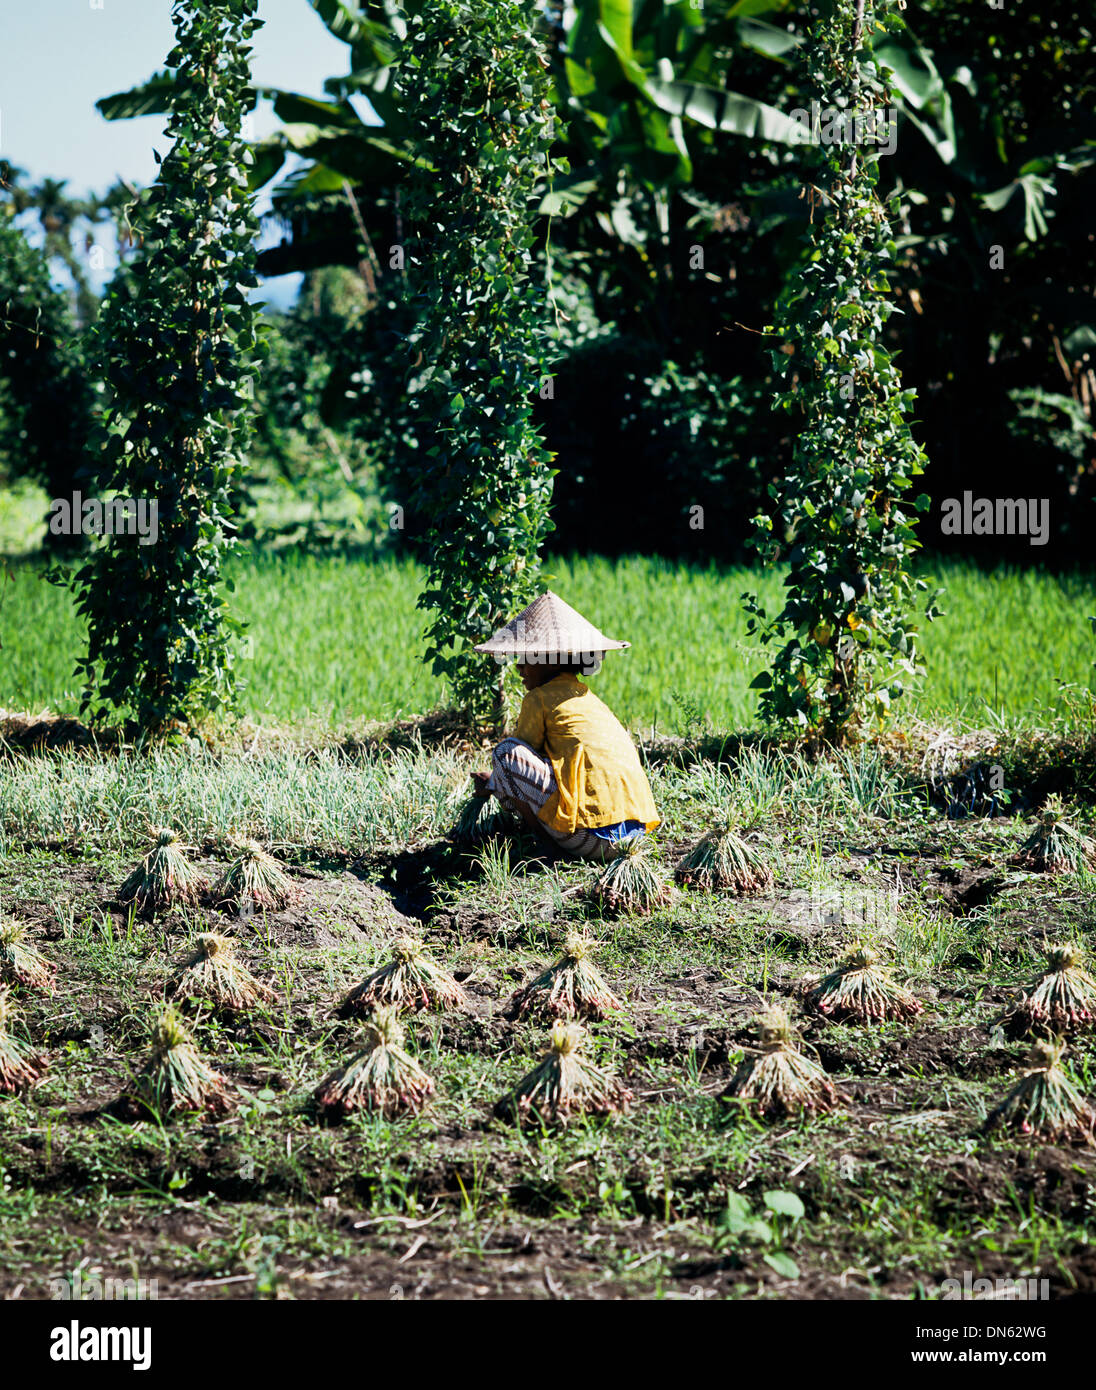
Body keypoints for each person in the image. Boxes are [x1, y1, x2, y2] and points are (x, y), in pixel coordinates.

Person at [469, 591, 659, 861]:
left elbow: (518, 763)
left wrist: (494, 783)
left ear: (552, 659)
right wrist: (495, 783)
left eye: (528, 658)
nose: (519, 668)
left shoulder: (539, 698)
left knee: (504, 753)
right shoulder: (588, 699)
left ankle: (548, 847)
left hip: (591, 838)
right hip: (636, 836)